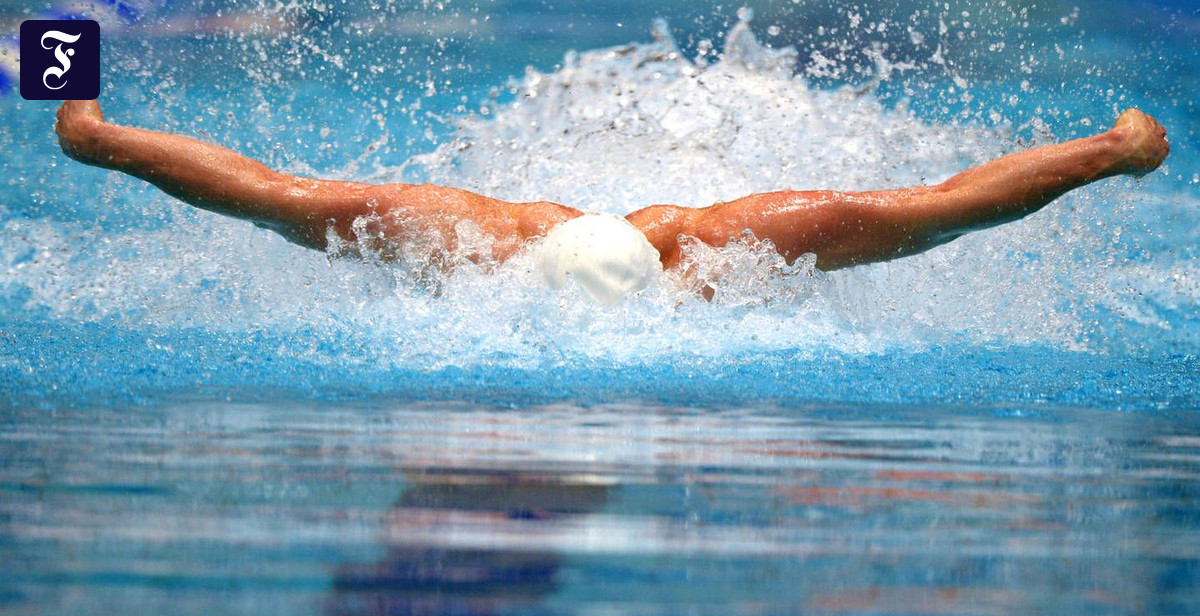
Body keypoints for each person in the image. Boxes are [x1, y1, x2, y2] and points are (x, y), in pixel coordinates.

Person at [54, 99, 1169, 301]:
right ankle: (74, 83)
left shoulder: (470, 250)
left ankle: (73, 78)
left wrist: (91, 134)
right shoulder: (709, 262)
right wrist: (1109, 151)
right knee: (911, 217)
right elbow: (944, 205)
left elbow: (261, 192)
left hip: (582, 252)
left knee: (292, 201)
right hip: (619, 251)